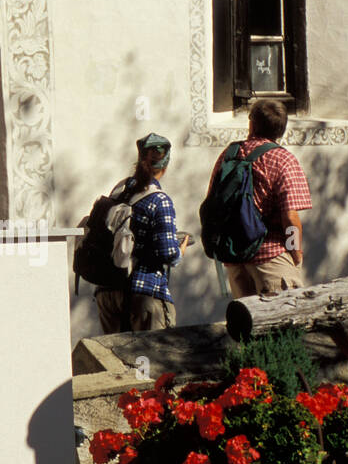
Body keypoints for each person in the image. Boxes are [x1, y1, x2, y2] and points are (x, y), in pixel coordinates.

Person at [209, 99, 312, 298]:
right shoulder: (283, 159)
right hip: (271, 258)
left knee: (246, 325)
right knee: (282, 324)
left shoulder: (229, 154)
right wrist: (295, 252)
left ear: (252, 124)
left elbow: (213, 201)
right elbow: (290, 218)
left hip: (235, 260)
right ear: (281, 129)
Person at [94, 133, 190, 332]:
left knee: (116, 359)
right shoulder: (159, 200)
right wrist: (180, 251)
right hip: (143, 291)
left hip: (107, 292)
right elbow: (167, 253)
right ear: (165, 165)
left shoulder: (119, 191)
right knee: (149, 360)